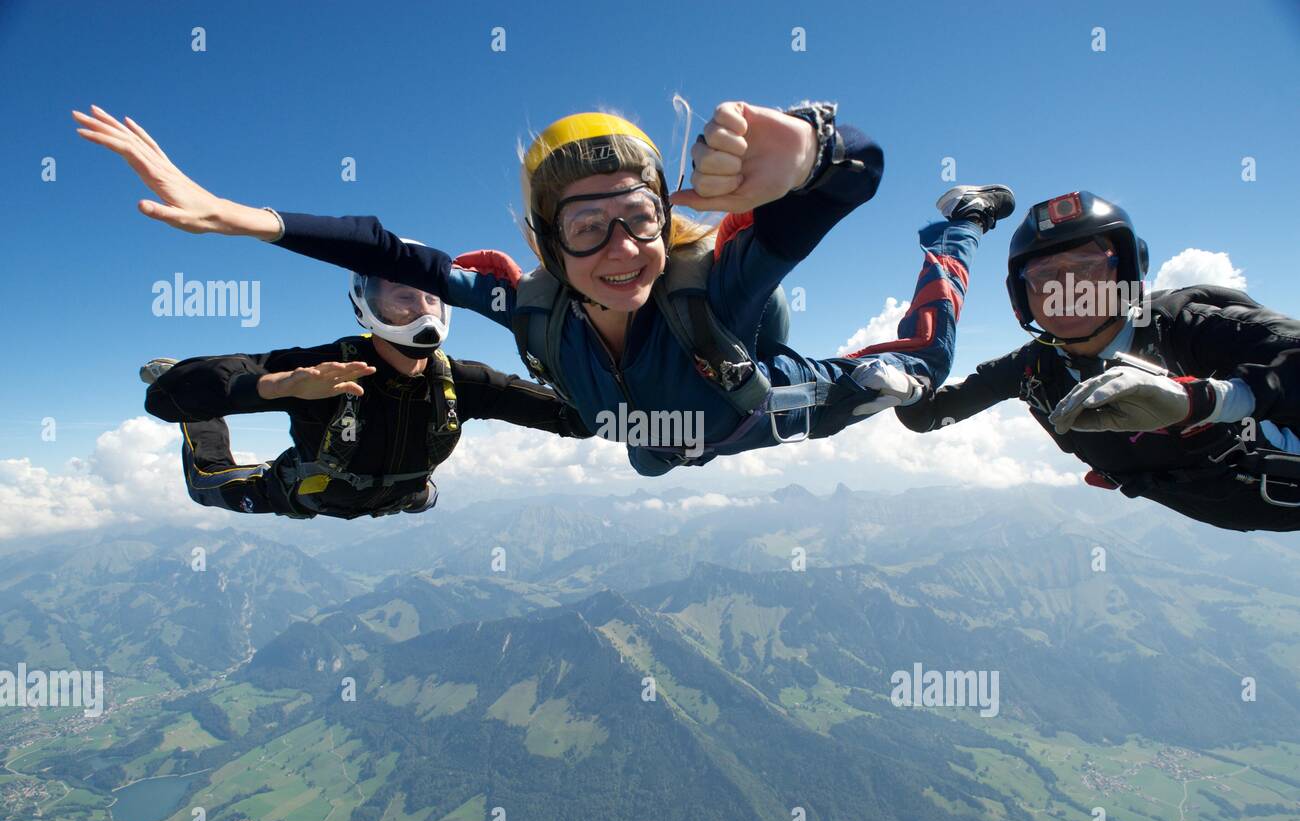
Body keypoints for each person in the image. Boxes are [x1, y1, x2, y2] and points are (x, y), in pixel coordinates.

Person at [76, 102, 1014, 476]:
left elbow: (858, 176)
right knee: (649, 457)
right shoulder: (524, 303)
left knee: (919, 369)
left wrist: (813, 148)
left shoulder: (711, 286)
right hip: (658, 433)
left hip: (759, 403)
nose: (622, 248)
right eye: (585, 225)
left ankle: (958, 227)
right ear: (541, 240)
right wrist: (243, 218)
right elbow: (391, 252)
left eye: (640, 217)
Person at [896, 191, 1300, 532]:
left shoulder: (1187, 328)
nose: (1067, 288)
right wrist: (903, 385)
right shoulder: (1034, 370)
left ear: (1126, 273)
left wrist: (1202, 401)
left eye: (1088, 267)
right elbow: (929, 415)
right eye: (1042, 276)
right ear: (1023, 298)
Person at [141, 258, 590, 520]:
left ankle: (415, 494)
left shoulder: (463, 382)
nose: (419, 309)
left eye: (429, 297)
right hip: (306, 493)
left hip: (401, 493)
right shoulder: (322, 369)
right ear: (367, 306)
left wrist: (566, 334)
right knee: (204, 481)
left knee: (419, 495)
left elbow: (576, 417)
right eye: (400, 297)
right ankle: (190, 387)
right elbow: (163, 401)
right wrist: (277, 386)